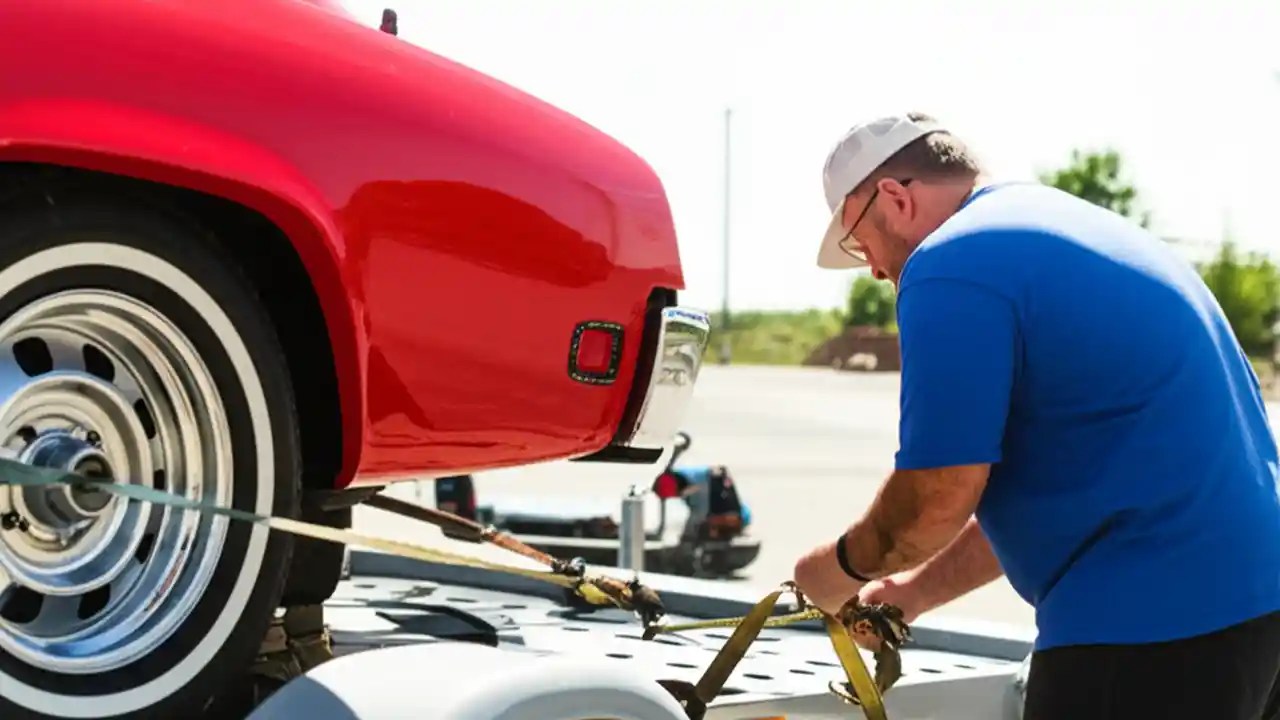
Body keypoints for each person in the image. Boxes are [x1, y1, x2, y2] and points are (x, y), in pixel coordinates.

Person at [791, 111, 1280, 719]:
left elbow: (938, 493)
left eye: (858, 241)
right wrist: (912, 593)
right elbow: (1061, 490)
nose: (873, 267)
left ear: (893, 198)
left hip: (1148, 632)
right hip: (1254, 611)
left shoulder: (950, 263)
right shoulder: (1068, 227)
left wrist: (836, 571)